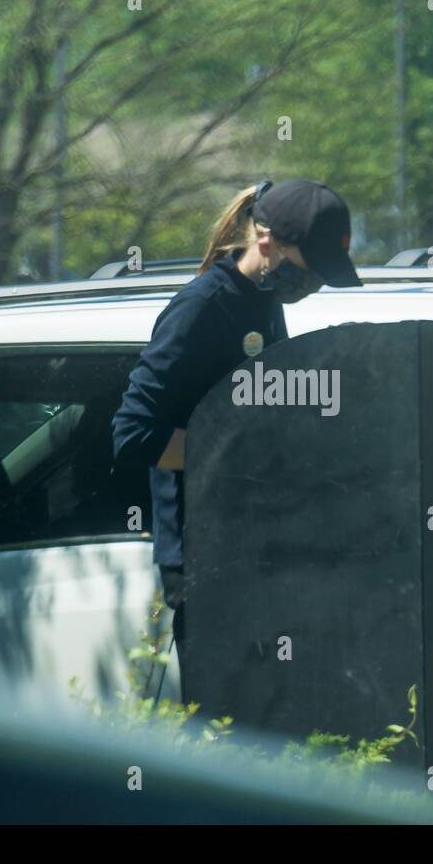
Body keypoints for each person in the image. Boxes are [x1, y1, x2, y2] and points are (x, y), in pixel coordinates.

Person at [111, 179, 361, 691]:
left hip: (254, 549)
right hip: (202, 560)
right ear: (267, 241)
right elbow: (133, 433)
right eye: (311, 268)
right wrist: (234, 460)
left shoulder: (264, 303)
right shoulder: (203, 307)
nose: (314, 283)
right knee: (225, 722)